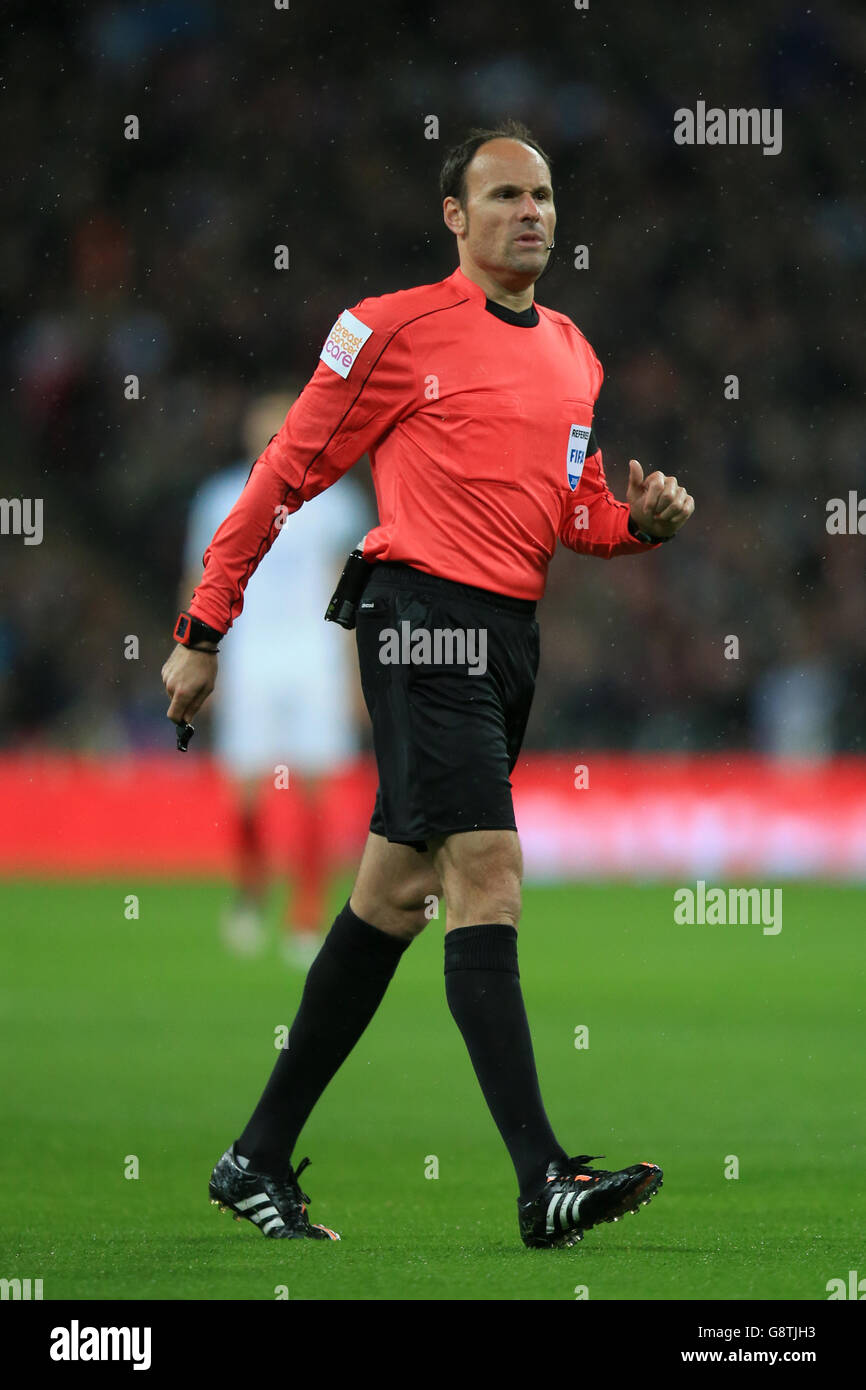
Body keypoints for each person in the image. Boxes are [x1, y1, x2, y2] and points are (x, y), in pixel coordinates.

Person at [161, 120, 695, 1249]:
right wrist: (202, 626)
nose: (530, 212)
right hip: (419, 623)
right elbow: (285, 473)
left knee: (390, 898)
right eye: (502, 195)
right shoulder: (391, 329)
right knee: (487, 874)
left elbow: (573, 514)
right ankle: (540, 1177)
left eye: (542, 195)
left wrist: (634, 526)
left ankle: (253, 1155)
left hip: (507, 637)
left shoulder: (573, 353)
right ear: (454, 217)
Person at [180, 390, 371, 967]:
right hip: (249, 655)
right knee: (243, 783)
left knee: (315, 781)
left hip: (314, 654)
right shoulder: (219, 495)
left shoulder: (335, 500)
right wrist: (198, 654)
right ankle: (250, 888)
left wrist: (354, 673)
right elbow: (200, 576)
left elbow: (354, 589)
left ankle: (308, 907)